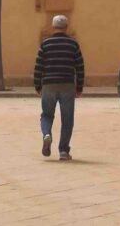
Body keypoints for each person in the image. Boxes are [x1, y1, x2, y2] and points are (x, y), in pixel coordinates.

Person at [34, 13, 85, 160]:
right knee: (67, 119)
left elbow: (38, 66)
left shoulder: (45, 44)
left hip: (49, 85)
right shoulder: (73, 44)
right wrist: (79, 86)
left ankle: (47, 134)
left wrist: (38, 85)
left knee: (46, 115)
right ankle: (63, 150)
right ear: (66, 27)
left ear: (53, 26)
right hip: (68, 85)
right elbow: (80, 66)